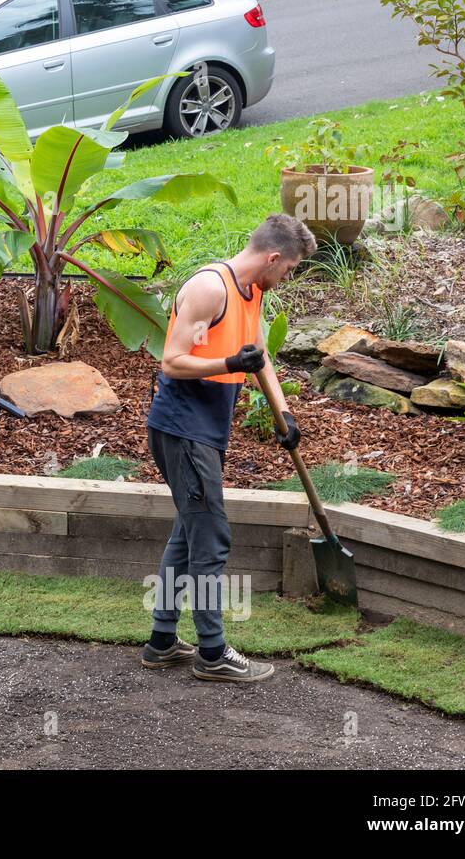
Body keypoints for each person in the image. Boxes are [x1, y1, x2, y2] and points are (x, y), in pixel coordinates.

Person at [141, 214, 317, 683]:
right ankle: (213, 653)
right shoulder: (209, 288)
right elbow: (173, 361)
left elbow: (259, 356)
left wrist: (285, 415)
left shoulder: (253, 291)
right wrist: (226, 361)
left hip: (206, 430)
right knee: (211, 538)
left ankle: (161, 642)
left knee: (188, 533)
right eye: (290, 269)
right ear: (273, 257)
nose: (288, 278)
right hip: (183, 430)